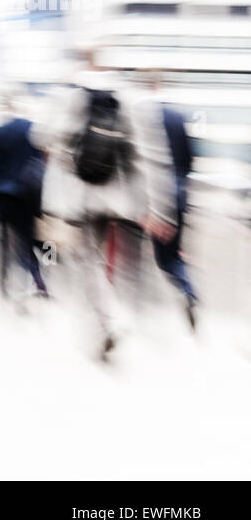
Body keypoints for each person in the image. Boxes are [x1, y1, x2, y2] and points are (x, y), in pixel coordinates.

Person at [31, 70, 177, 362]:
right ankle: (121, 314)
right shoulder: (129, 100)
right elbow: (150, 158)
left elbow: (39, 136)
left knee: (89, 263)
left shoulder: (69, 96)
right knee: (127, 262)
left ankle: (107, 321)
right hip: (118, 198)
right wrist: (160, 210)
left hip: (78, 197)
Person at [145, 73, 199, 328]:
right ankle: (188, 290)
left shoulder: (143, 118)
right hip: (177, 196)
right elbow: (189, 159)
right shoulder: (178, 118)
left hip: (152, 201)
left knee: (162, 259)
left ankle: (143, 309)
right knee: (173, 255)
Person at [0, 96, 49, 299]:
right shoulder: (33, 128)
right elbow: (40, 163)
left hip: (4, 195)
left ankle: (4, 285)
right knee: (37, 239)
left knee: (4, 243)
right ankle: (41, 279)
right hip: (30, 194)